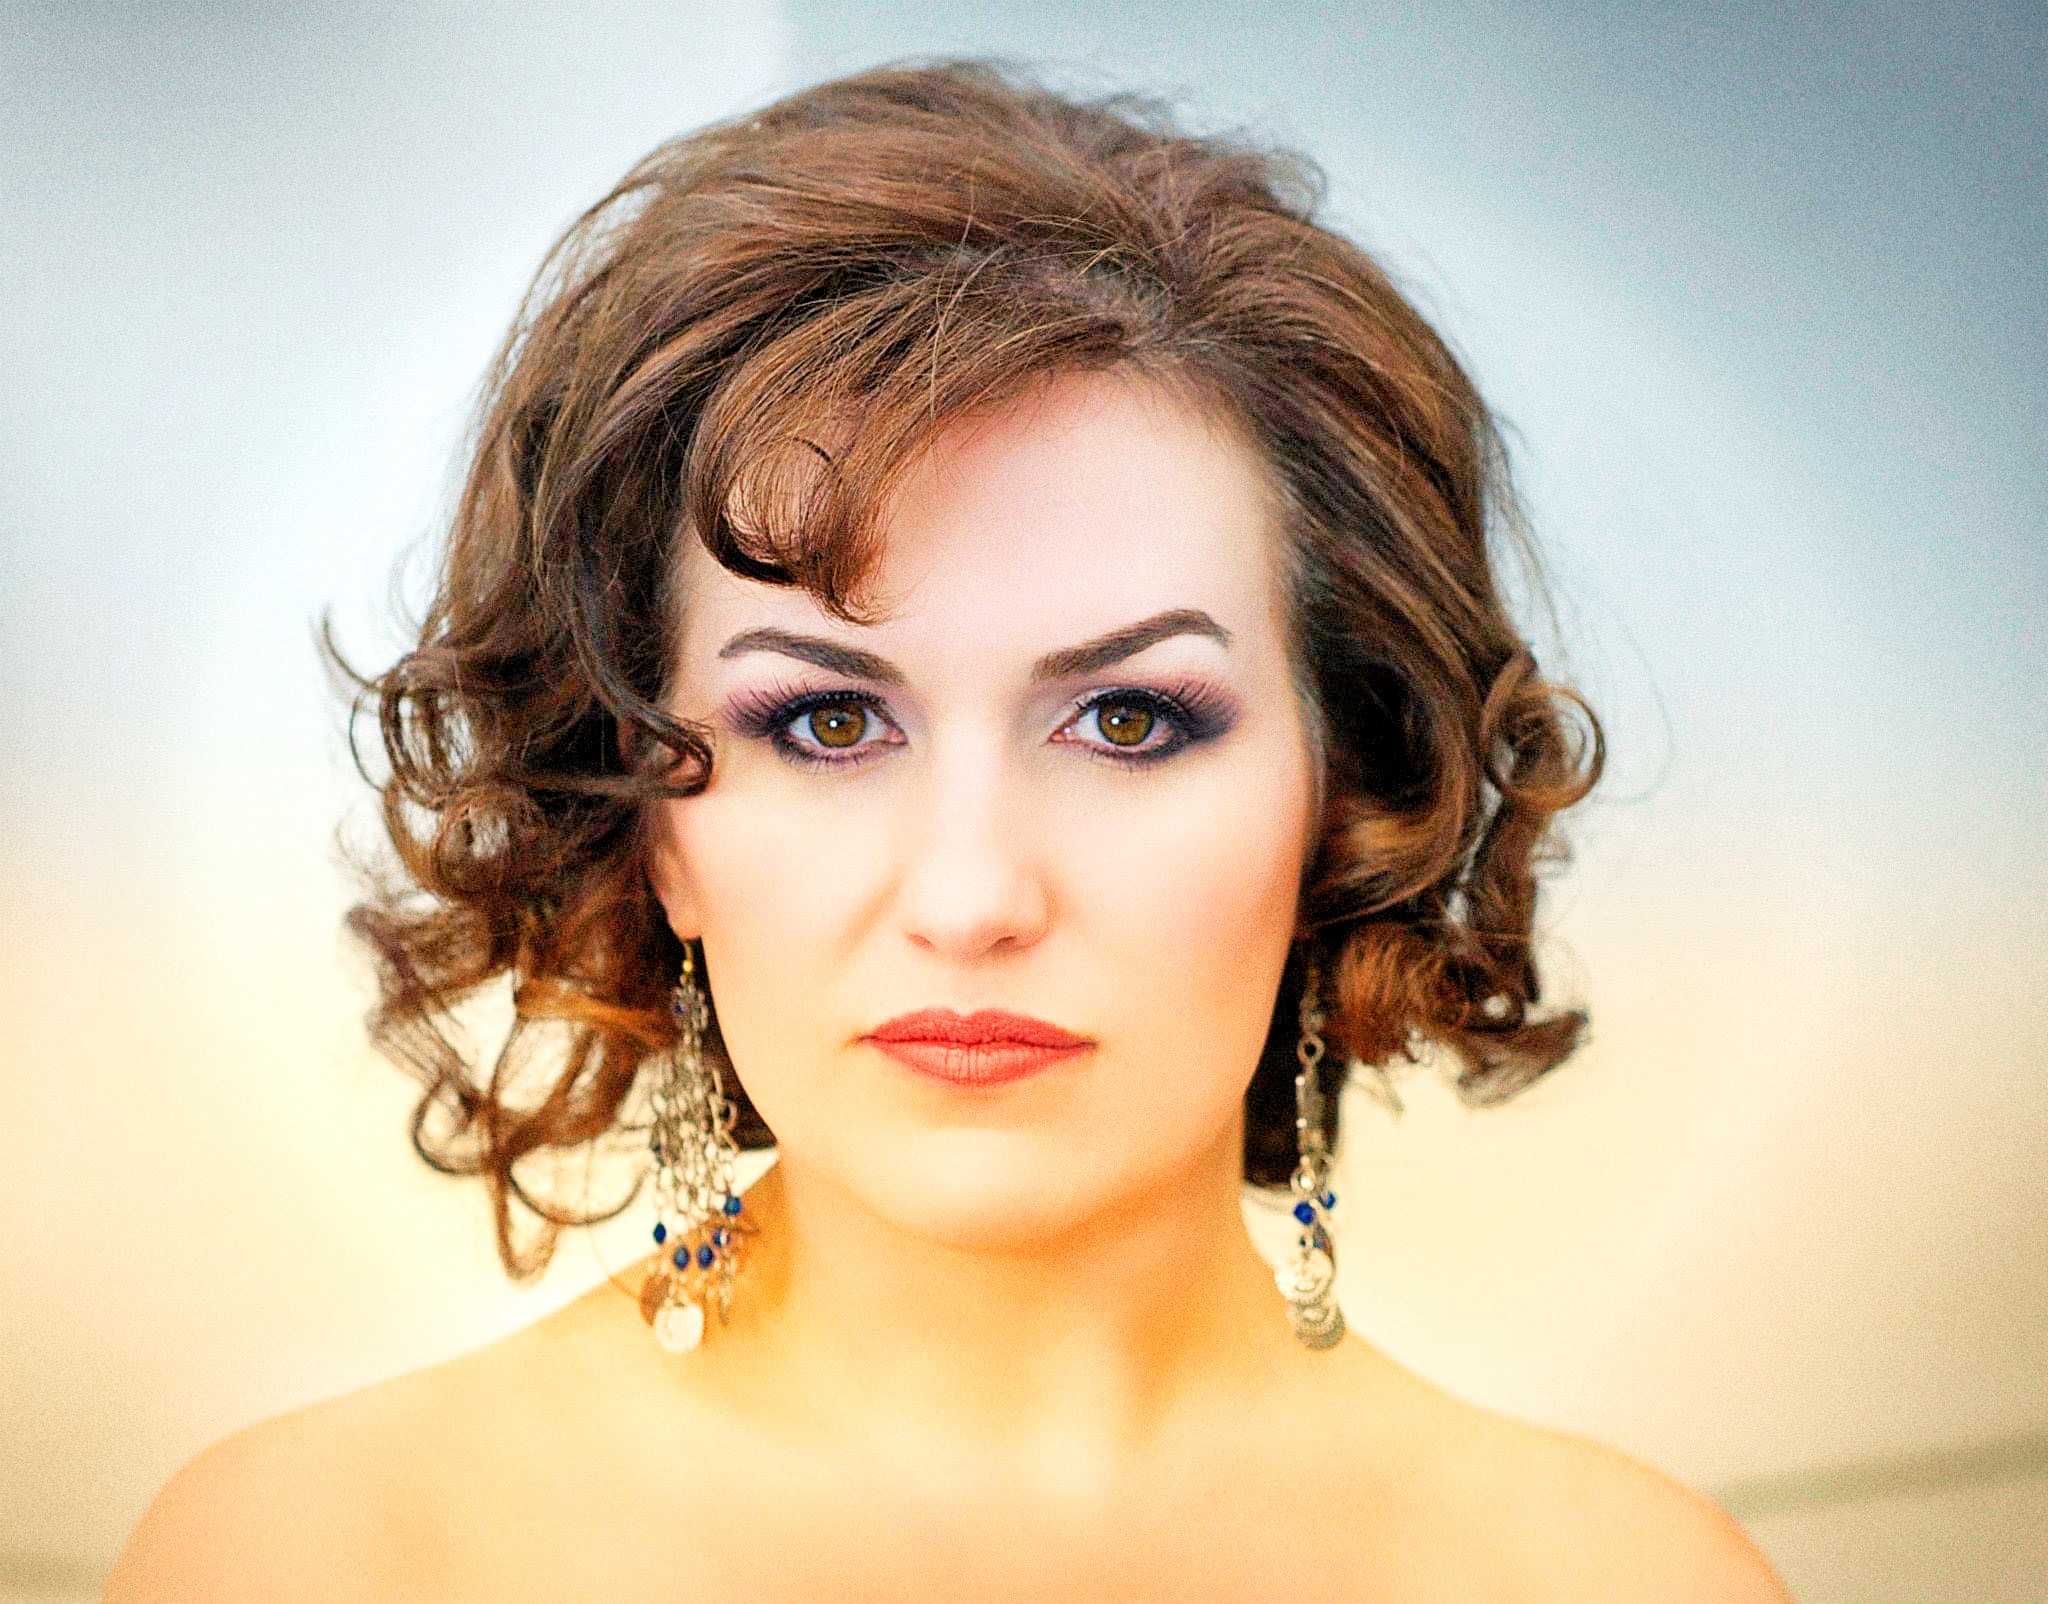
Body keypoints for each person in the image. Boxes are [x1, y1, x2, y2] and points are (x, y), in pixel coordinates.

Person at [106, 57, 1788, 1602]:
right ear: (647, 820)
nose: (974, 896)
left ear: (1347, 795)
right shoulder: (301, 1556)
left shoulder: (1632, 1582)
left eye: (1128, 721)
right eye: (828, 723)